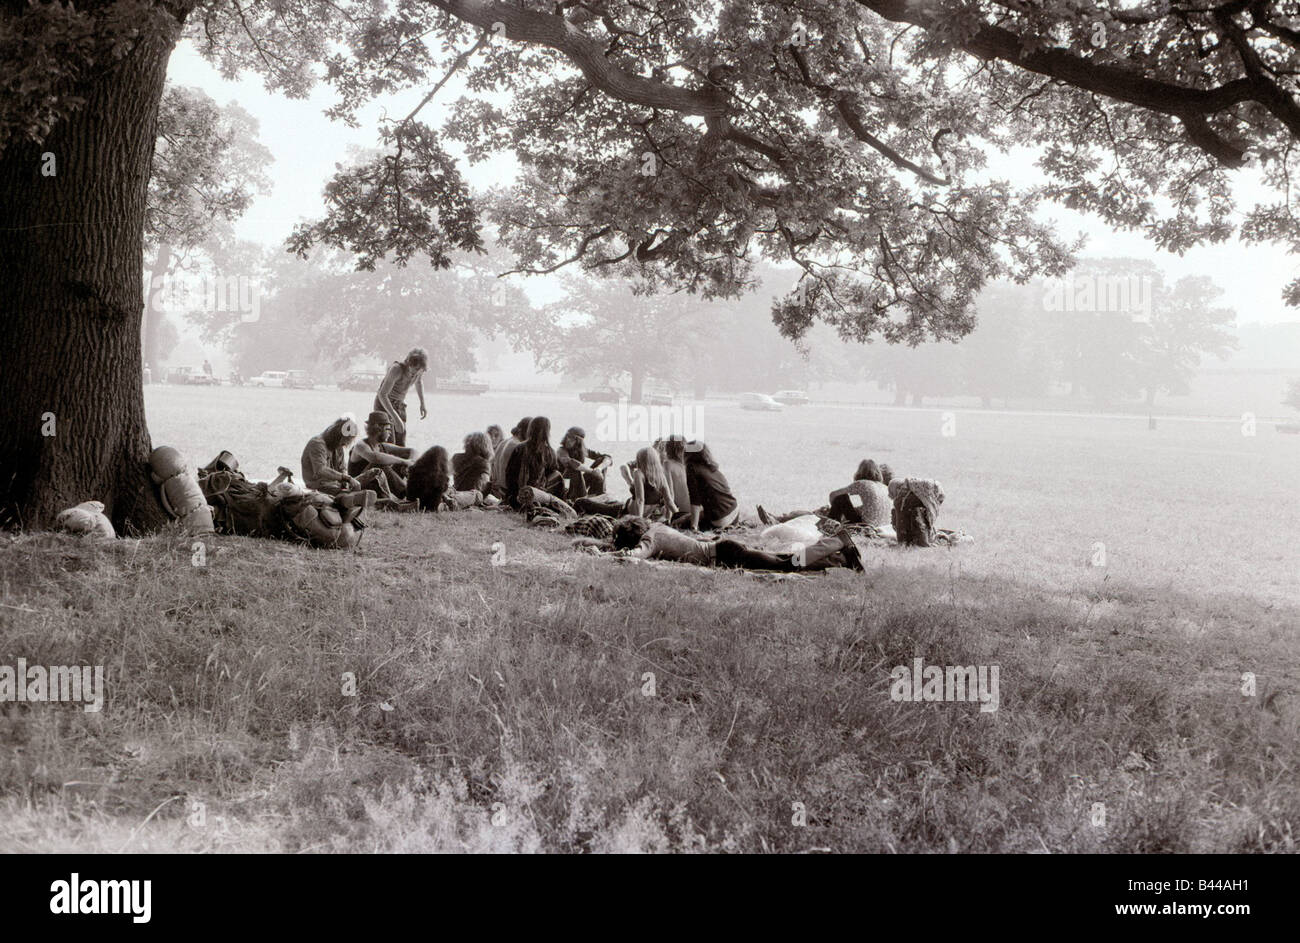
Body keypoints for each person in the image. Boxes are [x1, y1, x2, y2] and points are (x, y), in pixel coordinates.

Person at [606, 516, 862, 572]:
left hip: (725, 555)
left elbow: (639, 554)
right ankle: (841, 559)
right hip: (725, 548)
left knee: (786, 565)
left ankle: (836, 542)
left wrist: (615, 555)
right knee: (783, 558)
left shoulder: (650, 537)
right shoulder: (658, 527)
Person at [300, 415, 387, 505]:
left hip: (338, 485)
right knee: (345, 495)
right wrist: (347, 478)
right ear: (337, 435)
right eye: (345, 440)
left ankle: (386, 499)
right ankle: (376, 501)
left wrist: (345, 481)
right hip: (321, 487)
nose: (345, 444)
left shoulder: (338, 446)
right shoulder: (317, 444)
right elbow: (321, 470)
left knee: (377, 472)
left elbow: (342, 468)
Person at [349, 412, 418, 509]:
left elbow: (412, 451)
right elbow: (375, 457)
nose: (390, 433)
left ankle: (415, 493)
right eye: (388, 429)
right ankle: (410, 494)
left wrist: (409, 463)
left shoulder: (382, 446)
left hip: (376, 486)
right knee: (380, 465)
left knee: (396, 461)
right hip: (357, 486)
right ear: (378, 427)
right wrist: (403, 461)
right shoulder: (360, 445)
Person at [683, 441, 756, 530]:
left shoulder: (692, 468)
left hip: (719, 519)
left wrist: (693, 527)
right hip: (734, 511)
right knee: (690, 517)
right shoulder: (712, 468)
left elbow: (695, 500)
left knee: (681, 522)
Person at [505, 416, 571, 513]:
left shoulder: (519, 448)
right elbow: (553, 471)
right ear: (547, 432)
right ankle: (560, 504)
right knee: (558, 476)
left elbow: (509, 474)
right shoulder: (549, 451)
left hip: (514, 498)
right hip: (535, 495)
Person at [373, 348, 429, 447]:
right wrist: (395, 418)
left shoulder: (419, 370)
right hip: (384, 404)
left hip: (399, 404)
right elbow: (382, 394)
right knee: (388, 443)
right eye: (415, 369)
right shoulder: (397, 369)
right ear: (408, 362)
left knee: (401, 443)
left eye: (419, 370)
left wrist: (422, 403)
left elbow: (419, 382)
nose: (416, 373)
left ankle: (399, 462)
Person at [622, 446, 678, 520]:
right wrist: (678, 515)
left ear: (640, 460)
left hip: (630, 513)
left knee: (605, 507)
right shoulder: (661, 476)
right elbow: (669, 500)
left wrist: (639, 520)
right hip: (645, 514)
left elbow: (640, 500)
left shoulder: (638, 473)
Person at [557, 426, 609, 500]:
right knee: (574, 470)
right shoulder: (561, 450)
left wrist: (599, 469)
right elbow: (571, 463)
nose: (568, 440)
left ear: (578, 441)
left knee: (600, 461)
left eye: (572, 438)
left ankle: (598, 494)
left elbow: (607, 457)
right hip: (565, 485)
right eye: (567, 437)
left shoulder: (583, 450)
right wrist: (592, 471)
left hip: (578, 483)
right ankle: (579, 498)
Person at [490, 416, 531, 499]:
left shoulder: (504, 442)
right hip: (507, 493)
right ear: (522, 431)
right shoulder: (518, 446)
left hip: (497, 490)